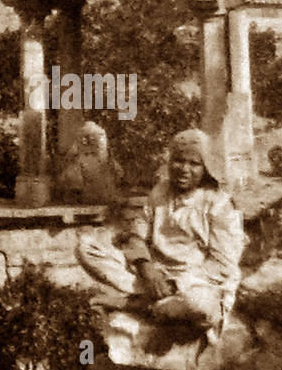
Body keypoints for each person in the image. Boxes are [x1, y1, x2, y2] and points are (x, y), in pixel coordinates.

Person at [75, 129, 244, 334]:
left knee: (200, 307)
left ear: (205, 168)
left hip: (196, 283)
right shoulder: (161, 192)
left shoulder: (219, 204)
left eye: (194, 164)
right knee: (87, 247)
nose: (184, 169)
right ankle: (149, 301)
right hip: (153, 277)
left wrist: (174, 285)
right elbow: (137, 234)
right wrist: (147, 269)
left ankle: (136, 304)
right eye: (178, 161)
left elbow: (222, 265)